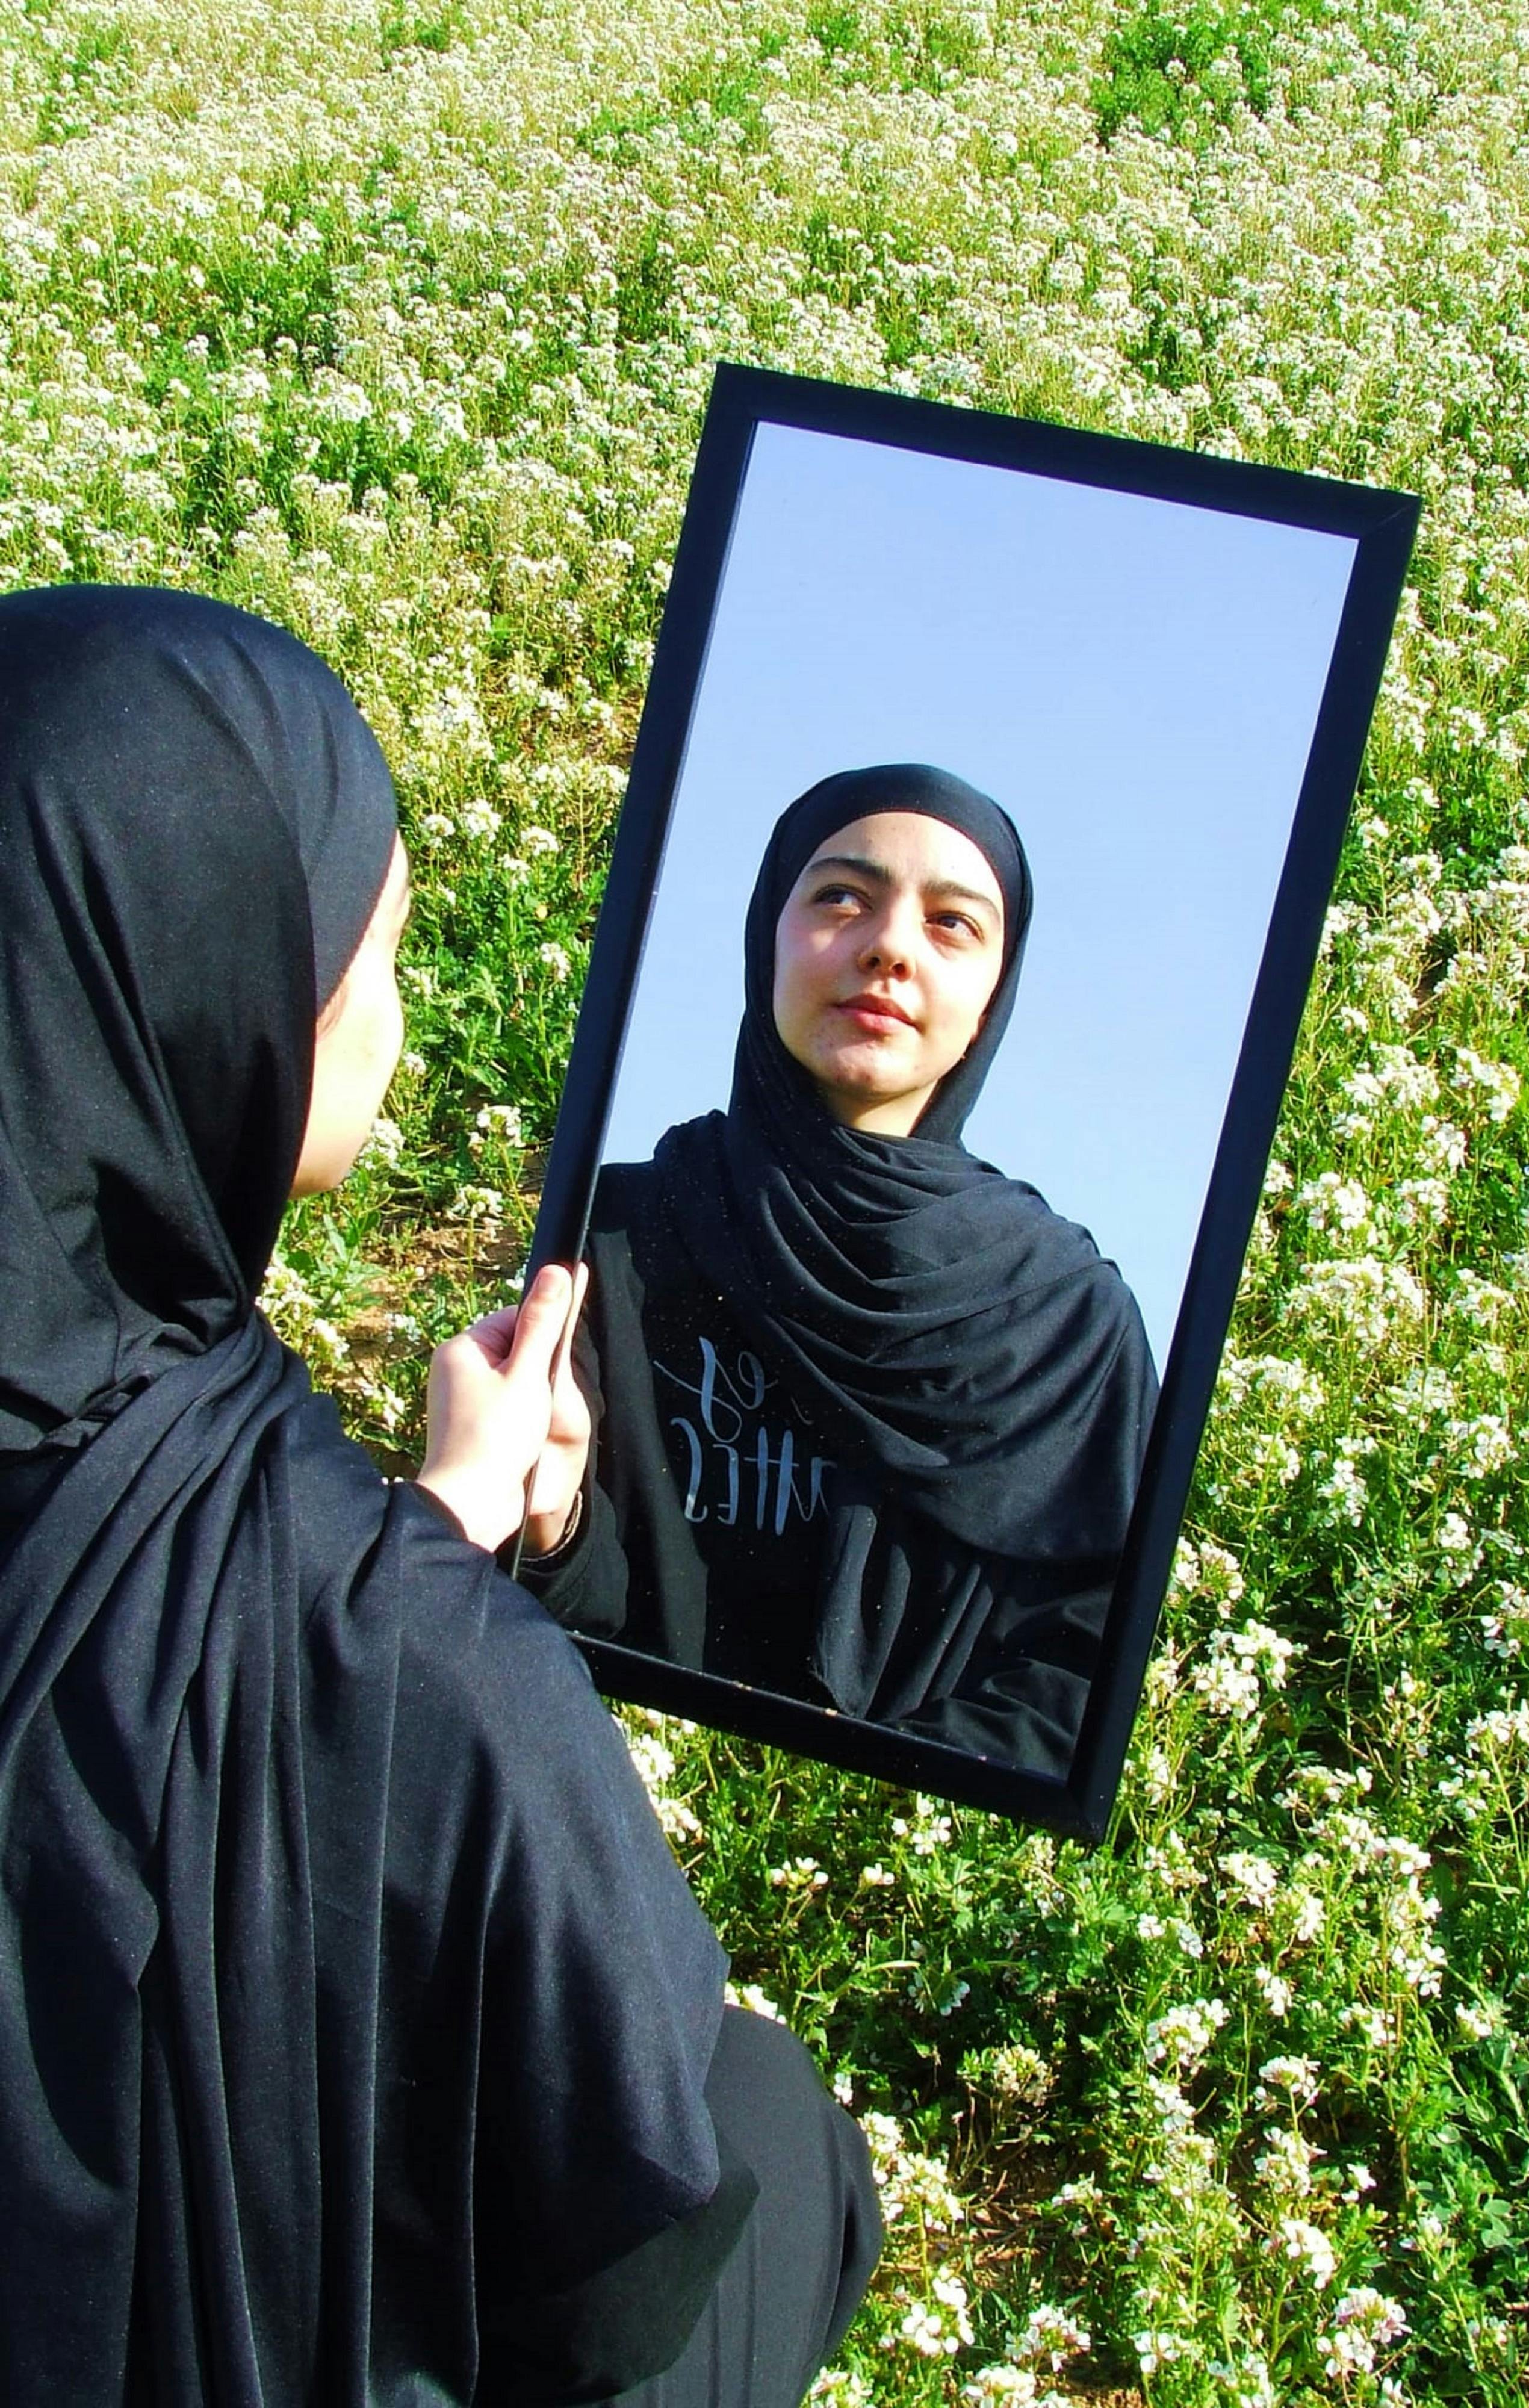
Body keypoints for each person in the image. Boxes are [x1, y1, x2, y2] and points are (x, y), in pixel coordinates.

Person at [0, 586, 878, 2405]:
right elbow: (624, 2245)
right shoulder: (424, 1666)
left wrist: (434, 1526)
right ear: (221, 992)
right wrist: (409, 1591)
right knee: (776, 2130)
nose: (398, 1012)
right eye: (378, 952)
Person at [530, 765, 1159, 1779]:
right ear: (766, 937)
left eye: (953, 924)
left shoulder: (1069, 1324)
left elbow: (1078, 1677)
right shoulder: (615, 1235)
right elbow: (558, 1622)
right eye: (839, 897)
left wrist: (851, 1809)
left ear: (995, 997)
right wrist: (549, 1526)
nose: (889, 947)